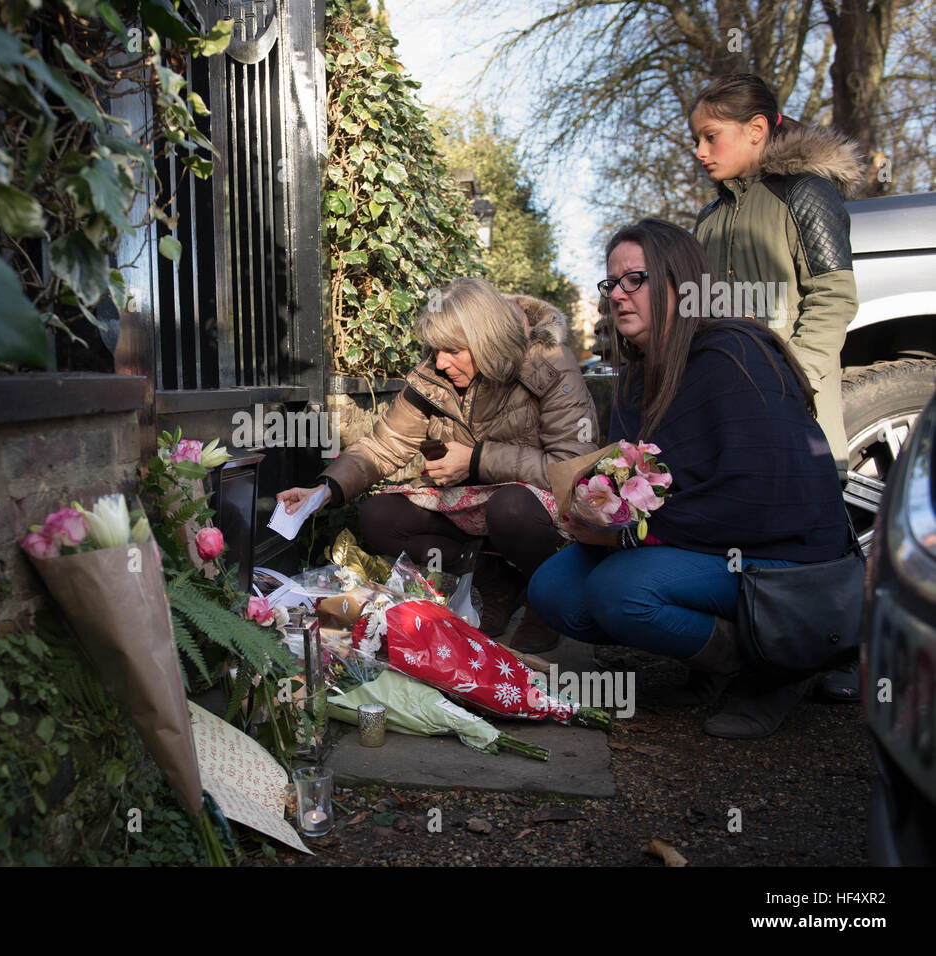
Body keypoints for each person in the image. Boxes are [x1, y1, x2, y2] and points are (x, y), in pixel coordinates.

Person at [527, 219, 854, 739]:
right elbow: (634, 477)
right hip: (699, 538)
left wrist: (629, 537)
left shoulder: (734, 357)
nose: (617, 295)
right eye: (611, 283)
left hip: (785, 556)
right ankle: (714, 657)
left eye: (635, 280)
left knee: (619, 589)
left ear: (681, 284)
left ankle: (777, 668)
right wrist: (595, 512)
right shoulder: (638, 374)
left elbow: (759, 498)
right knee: (553, 590)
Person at [277, 278, 598, 653]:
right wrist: (326, 489)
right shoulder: (433, 376)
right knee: (379, 516)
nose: (441, 362)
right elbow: (384, 444)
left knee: (511, 508)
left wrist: (477, 460)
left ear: (489, 341)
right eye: (437, 350)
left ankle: (545, 597)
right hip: (467, 504)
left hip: (530, 508)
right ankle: (496, 582)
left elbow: (571, 467)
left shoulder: (549, 364)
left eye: (453, 350)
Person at [689, 73, 867, 701]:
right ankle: (755, 650)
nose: (700, 152)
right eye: (696, 140)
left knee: (825, 532)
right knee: (745, 527)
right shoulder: (709, 218)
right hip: (730, 409)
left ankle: (850, 650)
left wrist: (799, 380)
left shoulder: (806, 194)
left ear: (757, 129)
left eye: (711, 136)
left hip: (800, 406)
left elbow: (832, 296)